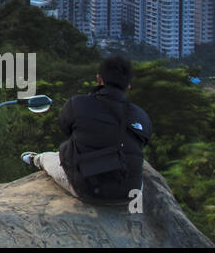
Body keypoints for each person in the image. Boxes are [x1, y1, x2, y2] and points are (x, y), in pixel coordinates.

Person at [21, 54, 153, 206]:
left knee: (58, 154)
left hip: (89, 190)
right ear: (128, 86)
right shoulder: (141, 115)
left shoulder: (78, 103)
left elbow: (65, 128)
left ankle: (36, 159)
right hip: (130, 194)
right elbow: (144, 141)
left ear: (99, 79)